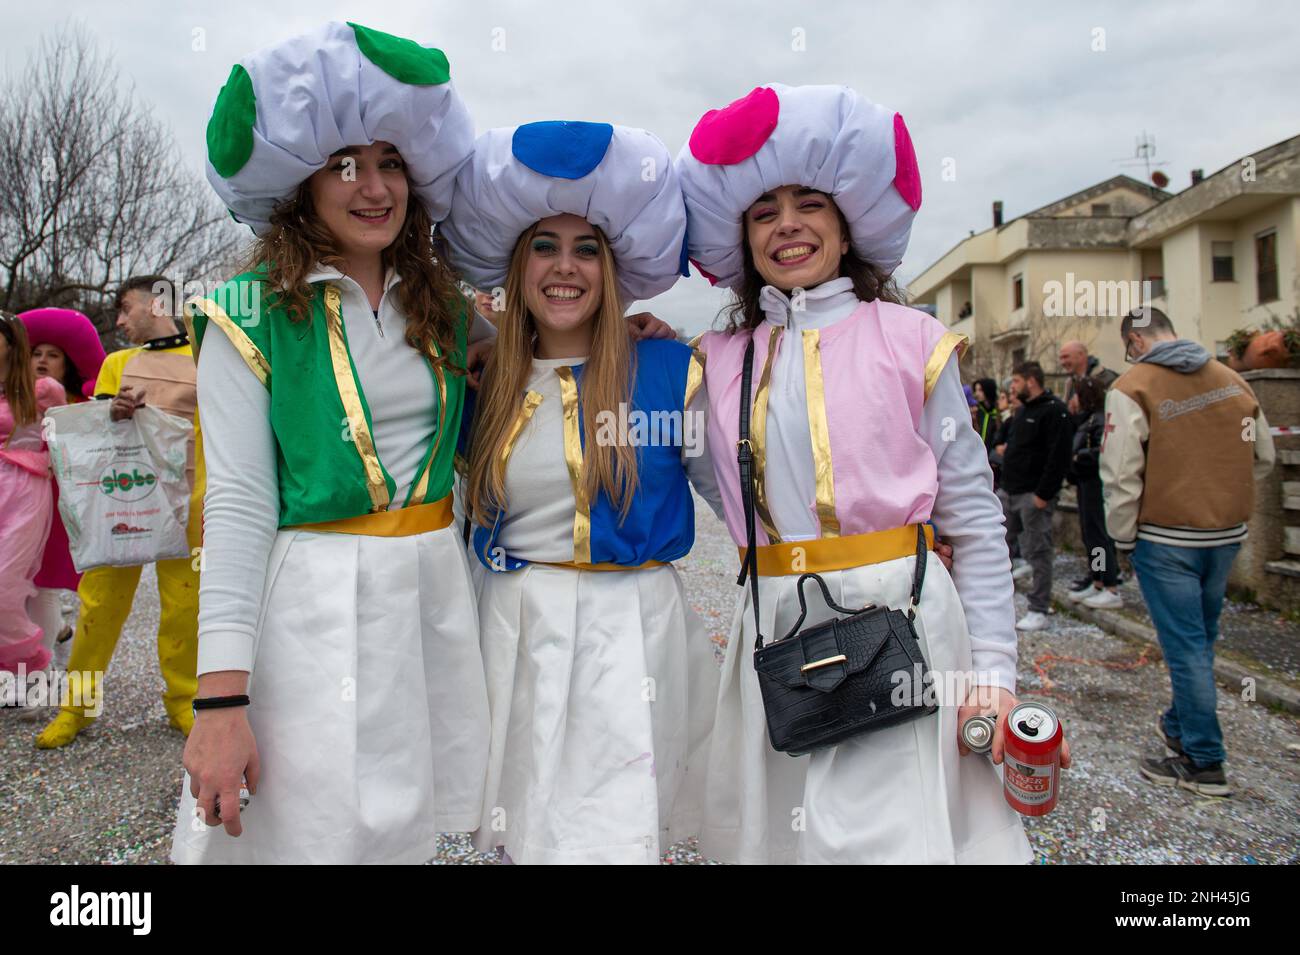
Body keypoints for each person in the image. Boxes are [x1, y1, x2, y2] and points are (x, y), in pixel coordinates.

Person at [677, 83, 1068, 864]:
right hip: (778, 629)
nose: (787, 223)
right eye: (764, 210)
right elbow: (718, 486)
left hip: (909, 627)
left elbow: (976, 518)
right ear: (743, 237)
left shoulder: (912, 338)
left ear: (847, 221)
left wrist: (994, 670)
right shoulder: (712, 362)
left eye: (809, 202)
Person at [167, 22, 499, 864]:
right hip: (312, 615)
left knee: (403, 832)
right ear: (302, 184)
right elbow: (239, 504)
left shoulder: (447, 312)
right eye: (346, 165)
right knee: (314, 834)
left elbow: (536, 385)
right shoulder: (246, 314)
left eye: (391, 162)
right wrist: (219, 701)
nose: (375, 185)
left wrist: (635, 337)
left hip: (430, 598)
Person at [443, 120, 722, 864]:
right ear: (514, 264)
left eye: (585, 249)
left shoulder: (668, 372)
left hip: (634, 638)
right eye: (544, 246)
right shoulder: (478, 384)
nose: (564, 268)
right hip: (515, 637)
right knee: (524, 833)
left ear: (613, 266)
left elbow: (738, 499)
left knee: (616, 834)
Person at [1102, 307, 1273, 797]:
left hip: (1167, 536)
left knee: (1185, 649)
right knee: (1201, 637)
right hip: (1224, 534)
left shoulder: (1134, 386)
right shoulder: (1232, 379)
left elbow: (1120, 472)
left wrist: (1123, 537)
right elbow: (1262, 456)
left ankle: (1204, 761)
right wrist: (1222, 497)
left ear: (1135, 340)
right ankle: (1179, 724)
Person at [34, 278, 204, 748]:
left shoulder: (208, 359)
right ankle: (76, 706)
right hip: (121, 501)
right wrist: (113, 412)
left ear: (156, 303)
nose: (121, 322)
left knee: (185, 610)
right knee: (99, 605)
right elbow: (96, 432)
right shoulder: (116, 364)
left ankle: (184, 701)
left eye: (125, 309)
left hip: (189, 504)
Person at [17, 308, 106, 661]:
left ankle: (41, 672)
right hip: (15, 502)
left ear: (66, 363)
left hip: (57, 505)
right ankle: (56, 637)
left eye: (52, 355)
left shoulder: (83, 403)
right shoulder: (14, 400)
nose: (42, 360)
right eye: (36, 353)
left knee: (42, 587)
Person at [0, 314, 66, 675]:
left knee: (6, 586)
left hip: (24, 490)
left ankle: (36, 664)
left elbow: (71, 435)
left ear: (10, 343)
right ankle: (16, 670)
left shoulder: (42, 390)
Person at [999, 361, 1071, 631]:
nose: (1012, 387)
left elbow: (1059, 456)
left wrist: (1043, 494)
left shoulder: (1054, 412)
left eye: (1016, 381)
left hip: (1033, 496)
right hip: (1011, 492)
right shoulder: (1022, 412)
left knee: (1039, 551)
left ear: (1031, 381)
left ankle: (1039, 607)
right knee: (1001, 545)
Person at [1065, 376, 1120, 608]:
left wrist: (1081, 457)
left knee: (1099, 535)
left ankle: (1110, 585)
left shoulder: (1099, 420)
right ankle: (1097, 580)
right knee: (1090, 535)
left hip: (1095, 484)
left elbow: (1104, 451)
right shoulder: (1086, 419)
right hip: (1084, 483)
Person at [1059, 339, 1117, 417]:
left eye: (1066, 357)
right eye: (1061, 358)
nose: (1062, 362)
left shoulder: (1107, 379)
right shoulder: (1070, 383)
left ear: (1081, 355)